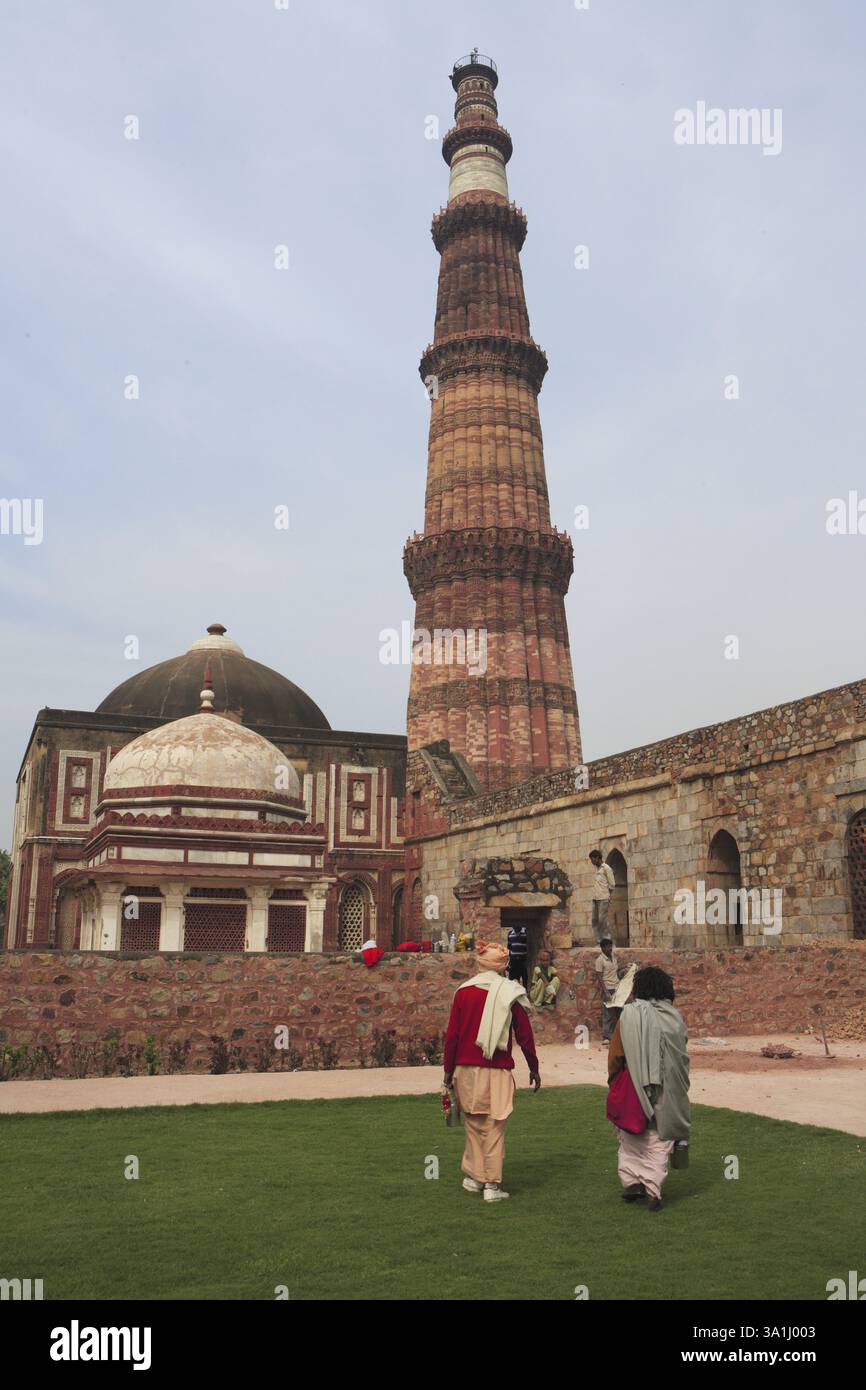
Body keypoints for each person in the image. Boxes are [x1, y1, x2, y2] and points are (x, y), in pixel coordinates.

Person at [443, 939, 540, 1202]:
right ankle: (491, 1185)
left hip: (465, 1068)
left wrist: (447, 1072)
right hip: (495, 1067)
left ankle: (476, 1177)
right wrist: (534, 1067)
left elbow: (452, 1036)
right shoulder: (509, 992)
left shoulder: (464, 991)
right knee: (494, 1125)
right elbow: (524, 1034)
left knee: (474, 1124)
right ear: (504, 966)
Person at [607, 965, 690, 1213]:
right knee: (658, 1138)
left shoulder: (629, 1016)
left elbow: (616, 1055)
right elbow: (681, 1054)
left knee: (633, 1136)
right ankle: (652, 1190)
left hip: (635, 1085)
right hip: (670, 1089)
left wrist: (614, 1080)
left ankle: (633, 1182)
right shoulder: (674, 1018)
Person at [594, 936, 621, 1043]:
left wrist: (626, 967)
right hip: (608, 989)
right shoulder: (599, 960)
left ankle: (621, 1035)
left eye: (611, 946)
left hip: (617, 988)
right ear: (602, 948)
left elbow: (616, 971)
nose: (610, 948)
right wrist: (605, 992)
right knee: (608, 1014)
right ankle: (606, 1037)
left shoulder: (613, 957)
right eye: (608, 947)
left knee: (620, 1012)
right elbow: (599, 977)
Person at [589, 850, 616, 943]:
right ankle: (599, 941)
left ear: (597, 858)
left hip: (603, 898)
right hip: (595, 898)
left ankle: (607, 940)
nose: (591, 861)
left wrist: (606, 895)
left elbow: (612, 884)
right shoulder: (598, 869)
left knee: (602, 920)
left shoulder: (606, 868)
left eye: (592, 859)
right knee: (594, 920)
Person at [506, 922, 529, 988]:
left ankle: (525, 993)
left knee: (525, 978)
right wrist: (508, 961)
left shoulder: (526, 932)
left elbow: (529, 946)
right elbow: (509, 947)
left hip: (523, 960)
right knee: (513, 979)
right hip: (513, 961)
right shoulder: (510, 934)